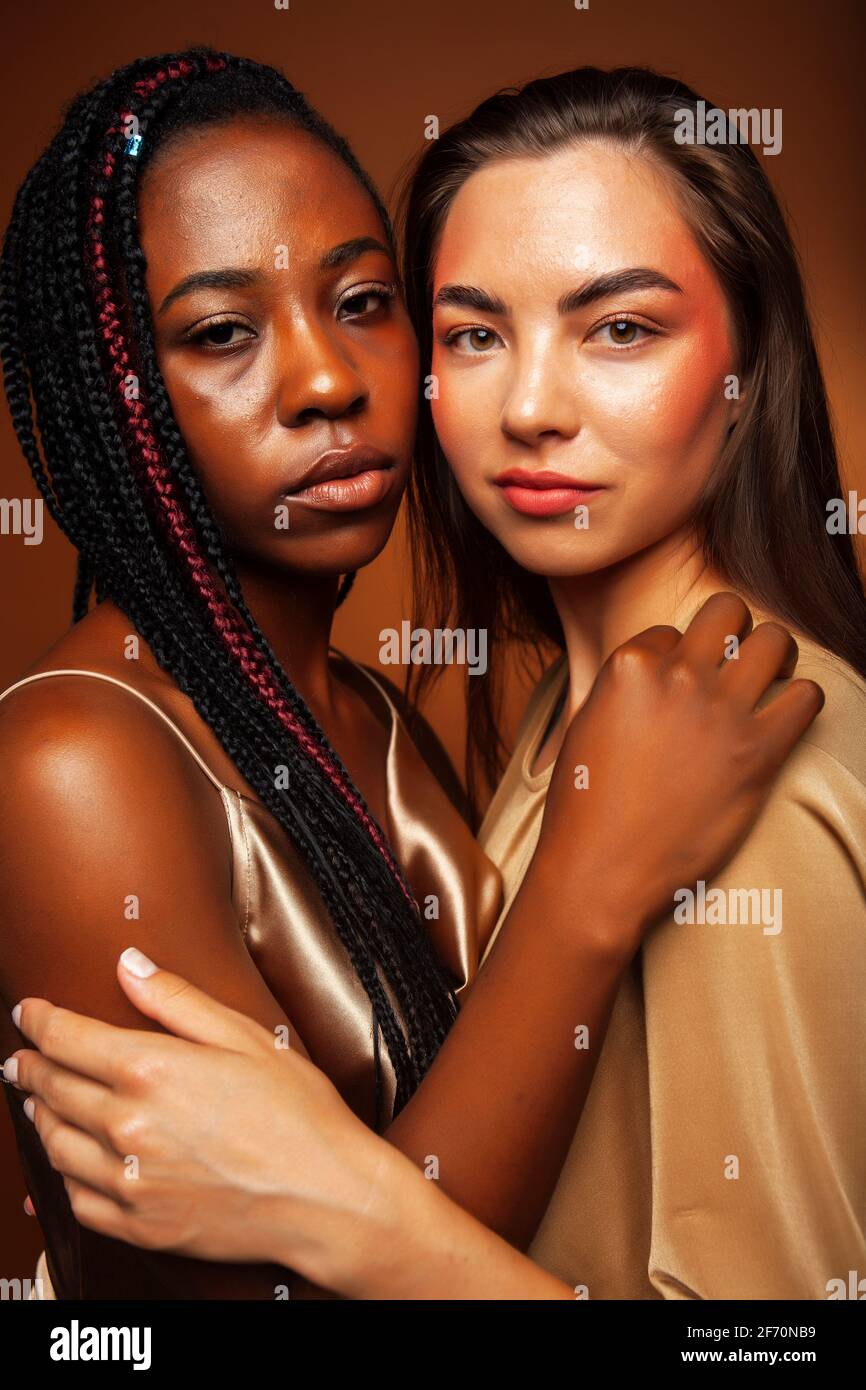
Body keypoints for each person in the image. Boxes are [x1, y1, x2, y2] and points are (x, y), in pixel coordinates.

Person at [1, 59, 840, 1300]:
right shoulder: (74, 759)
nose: (330, 381)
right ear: (107, 403)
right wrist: (582, 889)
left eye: (360, 301)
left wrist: (328, 1191)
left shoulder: (394, 719)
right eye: (221, 332)